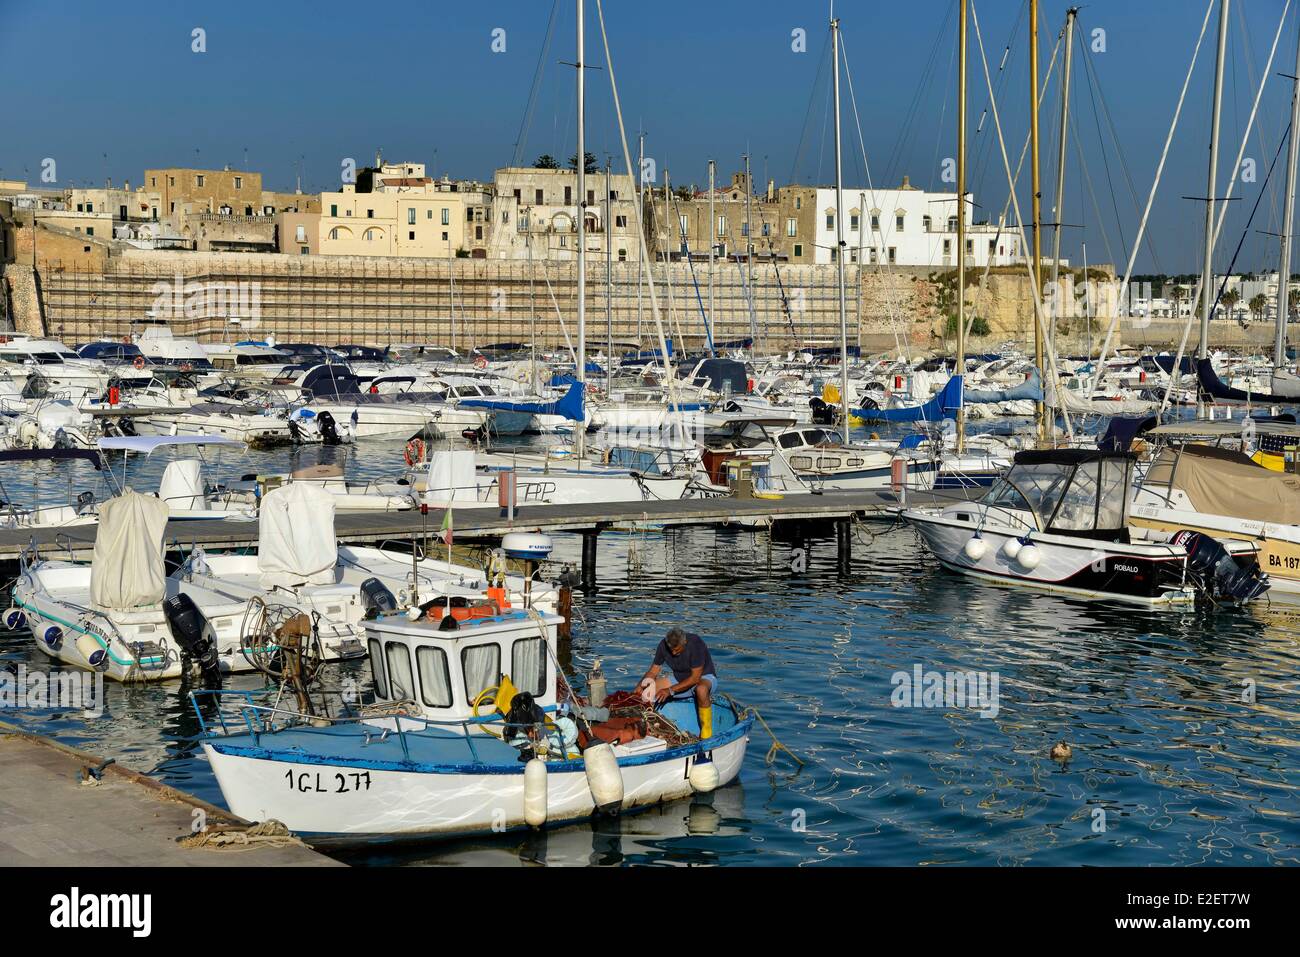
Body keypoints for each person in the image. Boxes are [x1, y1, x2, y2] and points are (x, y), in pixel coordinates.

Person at [638, 627, 718, 739]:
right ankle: (647, 729)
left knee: (701, 690)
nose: (674, 653)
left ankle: (706, 733)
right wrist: (640, 687)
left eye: (677, 650)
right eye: (671, 650)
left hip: (703, 678)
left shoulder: (695, 643)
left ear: (684, 642)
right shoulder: (663, 645)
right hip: (679, 678)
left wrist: (670, 690)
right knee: (646, 692)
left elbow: (695, 678)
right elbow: (653, 671)